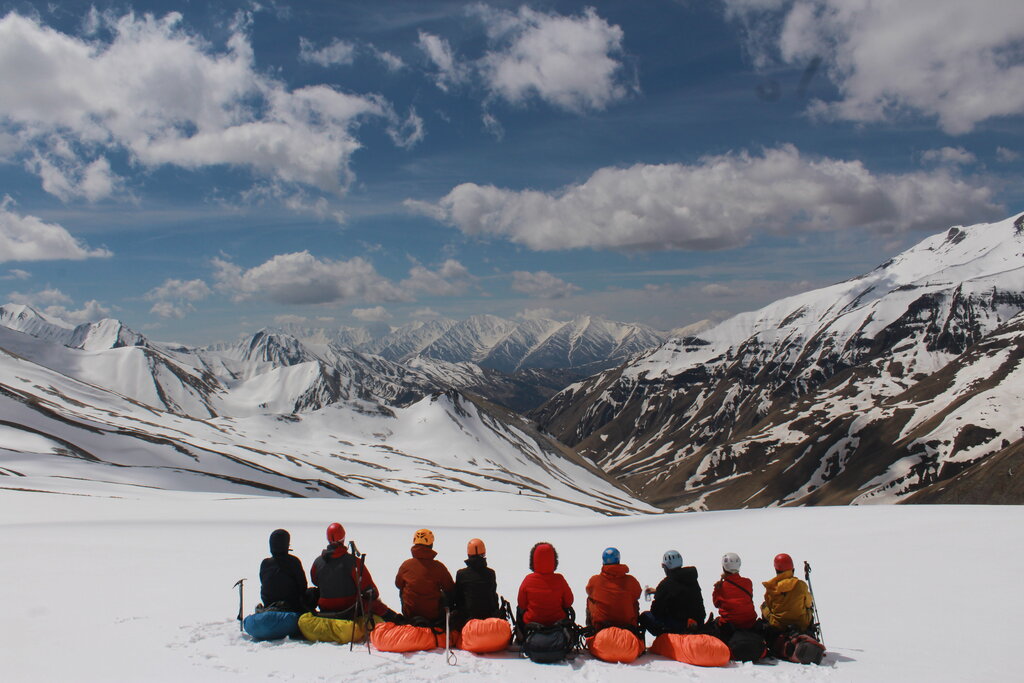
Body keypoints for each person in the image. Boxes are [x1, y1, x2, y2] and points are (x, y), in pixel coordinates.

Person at [310, 522, 397, 619]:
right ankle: (398, 620)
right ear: (343, 538)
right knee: (375, 605)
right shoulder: (354, 562)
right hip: (349, 608)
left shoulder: (318, 562)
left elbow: (315, 581)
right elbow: (369, 590)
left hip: (325, 608)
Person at [395, 528, 455, 624]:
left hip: (410, 614)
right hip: (433, 616)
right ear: (431, 544)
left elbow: (398, 584)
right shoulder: (438, 567)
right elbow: (450, 588)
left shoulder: (406, 565)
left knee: (403, 589)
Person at [639, 549, 706, 637]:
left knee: (644, 617)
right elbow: (682, 593)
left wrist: (660, 595)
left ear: (666, 566)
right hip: (698, 624)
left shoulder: (666, 584)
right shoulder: (691, 579)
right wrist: (658, 592)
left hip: (679, 628)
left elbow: (656, 611)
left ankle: (654, 646)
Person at [516, 541, 574, 629]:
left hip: (532, 623)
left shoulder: (528, 580)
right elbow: (569, 602)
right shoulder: (560, 579)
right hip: (558, 623)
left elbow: (522, 604)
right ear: (554, 560)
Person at [585, 547, 642, 632]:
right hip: (628, 625)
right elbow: (637, 593)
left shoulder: (595, 581)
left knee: (591, 600)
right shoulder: (631, 581)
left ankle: (592, 631)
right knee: (633, 601)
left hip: (601, 626)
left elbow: (588, 591)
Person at [452, 538, 501, 628]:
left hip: (467, 622)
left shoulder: (461, 574)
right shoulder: (490, 573)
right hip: (489, 621)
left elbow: (458, 597)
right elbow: (493, 597)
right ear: (484, 553)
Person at [760, 553, 813, 633]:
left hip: (778, 625)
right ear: (792, 569)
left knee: (764, 607)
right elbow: (808, 604)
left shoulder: (771, 588)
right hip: (801, 624)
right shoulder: (801, 585)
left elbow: (769, 606)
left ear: (776, 570)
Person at [258, 528, 307, 612]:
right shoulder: (293, 562)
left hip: (269, 606)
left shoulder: (265, 563)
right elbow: (303, 586)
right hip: (292, 607)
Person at [711, 552, 757, 637]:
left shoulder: (720, 587)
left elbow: (716, 603)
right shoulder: (748, 582)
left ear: (724, 567)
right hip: (750, 623)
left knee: (716, 623)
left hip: (731, 626)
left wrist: (718, 587)